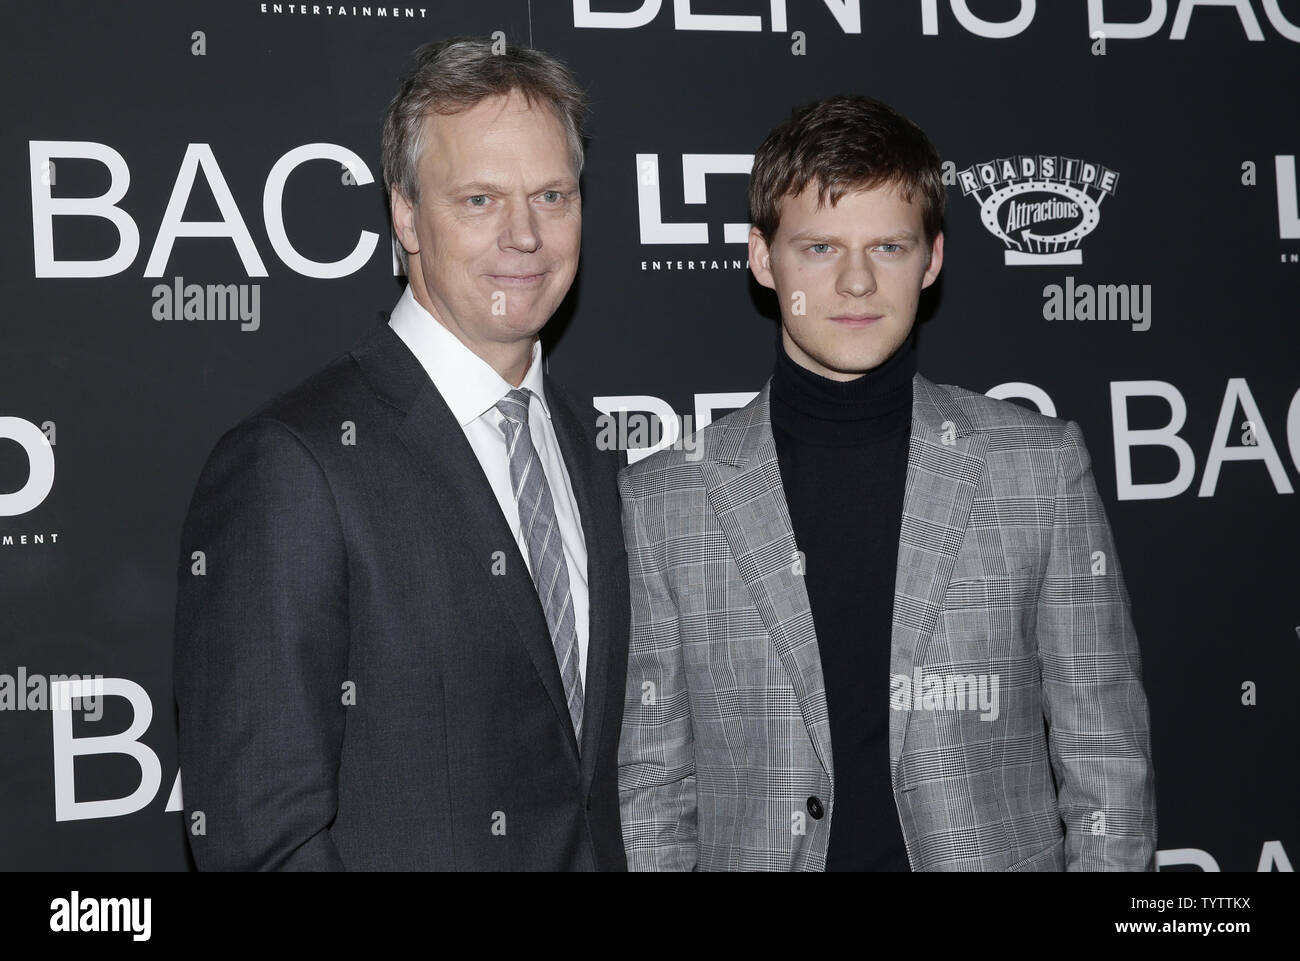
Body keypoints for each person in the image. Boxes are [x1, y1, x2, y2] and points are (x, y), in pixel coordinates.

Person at [616, 95, 1156, 871]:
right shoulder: (665, 499)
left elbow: (1106, 756)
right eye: (821, 248)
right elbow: (654, 791)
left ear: (932, 259)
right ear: (763, 259)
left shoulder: (1038, 467)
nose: (858, 283)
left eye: (889, 248)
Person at [174, 37, 629, 871]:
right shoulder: (295, 466)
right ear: (407, 215)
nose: (523, 235)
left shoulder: (591, 450)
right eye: (480, 199)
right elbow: (262, 840)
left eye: (551, 195)